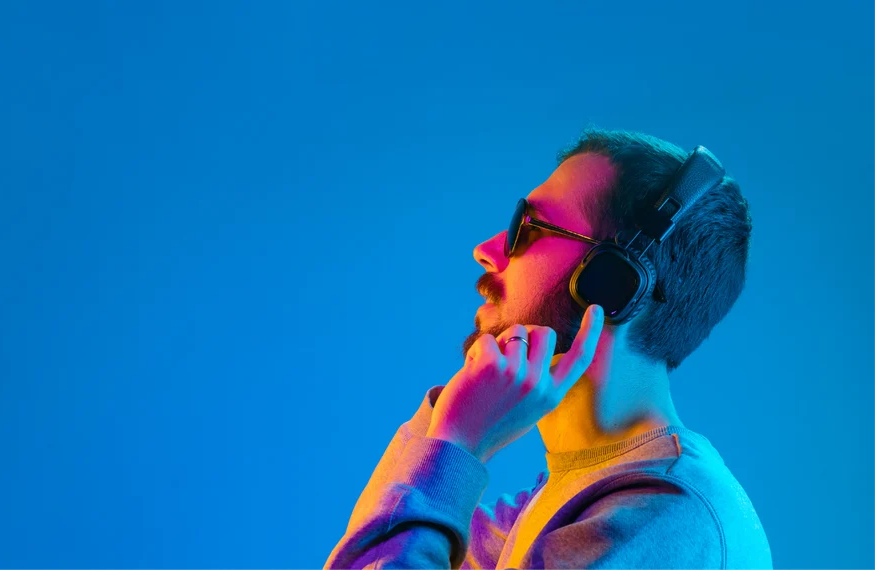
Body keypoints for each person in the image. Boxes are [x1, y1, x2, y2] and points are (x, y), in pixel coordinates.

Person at [322, 128, 772, 570]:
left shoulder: (667, 518)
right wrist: (447, 425)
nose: (486, 250)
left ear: (613, 280)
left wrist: (459, 442)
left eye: (528, 228)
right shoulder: (563, 499)